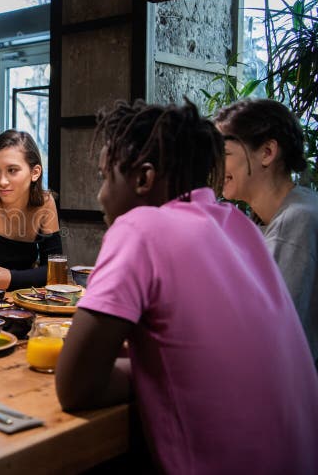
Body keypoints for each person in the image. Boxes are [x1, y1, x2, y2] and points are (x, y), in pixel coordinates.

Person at [55, 100, 318, 473]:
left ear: (143, 179)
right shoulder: (240, 227)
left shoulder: (139, 228)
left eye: (104, 177)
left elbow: (75, 385)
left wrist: (154, 371)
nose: (100, 196)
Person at [213, 99, 318, 366]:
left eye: (223, 154)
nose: (214, 166)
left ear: (268, 152)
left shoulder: (296, 222)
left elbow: (273, 339)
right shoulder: (283, 212)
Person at [0, 130, 62, 290]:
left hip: (23, 299)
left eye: (12, 170)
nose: (2, 181)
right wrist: (30, 276)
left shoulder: (45, 202)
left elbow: (56, 271)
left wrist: (12, 278)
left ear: (35, 173)